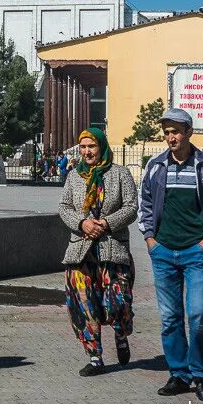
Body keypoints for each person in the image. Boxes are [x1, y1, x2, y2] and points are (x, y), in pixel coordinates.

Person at [139, 108, 203, 402]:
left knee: (199, 314)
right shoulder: (155, 166)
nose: (171, 137)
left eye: (176, 131)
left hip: (195, 253)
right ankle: (179, 375)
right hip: (163, 252)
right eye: (166, 132)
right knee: (170, 317)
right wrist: (150, 240)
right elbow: (144, 204)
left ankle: (200, 375)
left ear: (189, 132)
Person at [58, 127, 138, 377]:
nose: (87, 151)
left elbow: (131, 207)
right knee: (83, 305)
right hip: (80, 251)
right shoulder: (74, 176)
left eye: (91, 146)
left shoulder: (120, 174)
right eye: (82, 147)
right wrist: (83, 223)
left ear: (101, 147)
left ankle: (121, 335)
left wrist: (106, 223)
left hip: (112, 249)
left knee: (117, 303)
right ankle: (95, 358)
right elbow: (64, 206)